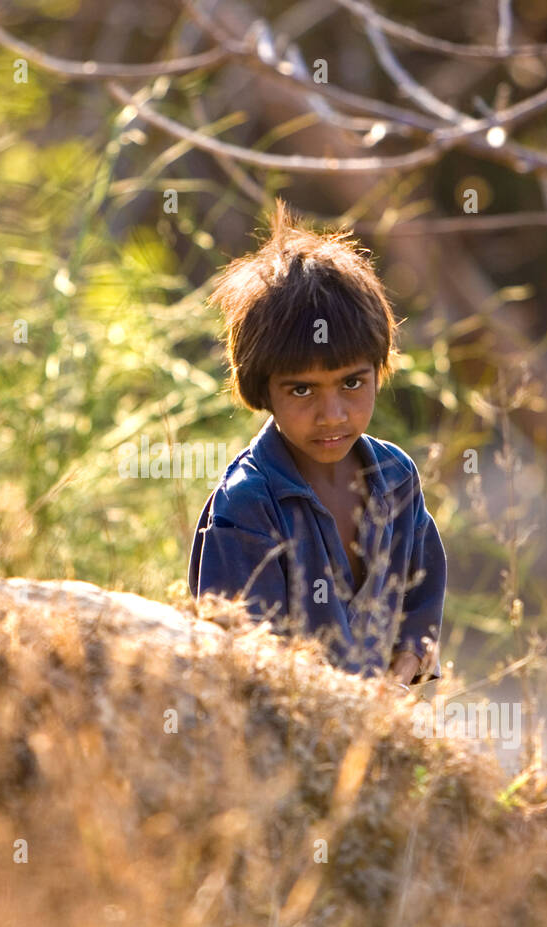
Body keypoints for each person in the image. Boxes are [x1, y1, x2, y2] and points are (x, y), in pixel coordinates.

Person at [187, 199, 445, 686]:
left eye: (352, 383)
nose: (332, 414)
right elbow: (244, 669)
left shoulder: (396, 479)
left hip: (377, 736)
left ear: (378, 370)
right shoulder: (246, 507)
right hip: (282, 747)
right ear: (263, 389)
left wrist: (396, 681)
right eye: (301, 389)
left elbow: (421, 607)